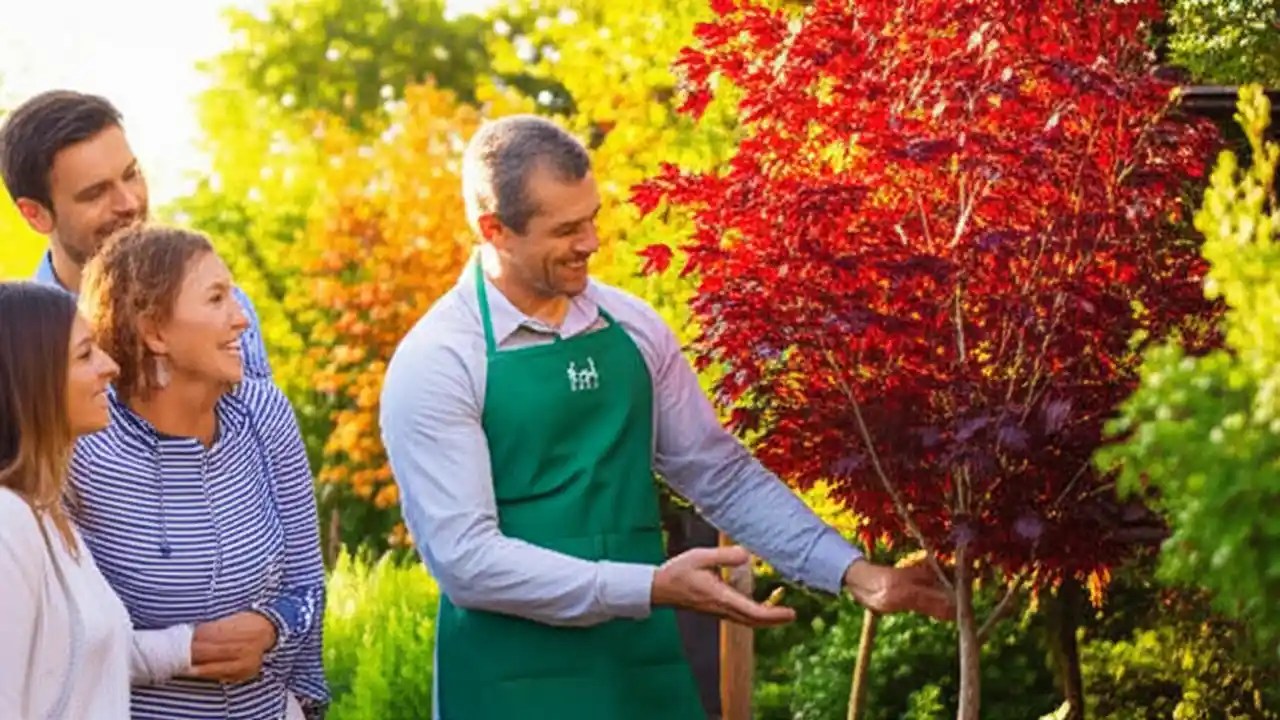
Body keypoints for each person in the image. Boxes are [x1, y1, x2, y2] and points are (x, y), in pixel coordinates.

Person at [379, 115, 954, 719]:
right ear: (494, 230)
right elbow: (467, 562)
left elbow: (718, 473)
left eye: (593, 217)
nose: (592, 243)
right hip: (510, 681)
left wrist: (855, 573)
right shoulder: (439, 361)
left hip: (638, 669)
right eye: (567, 229)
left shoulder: (632, 328)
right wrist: (649, 587)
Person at [68, 224, 329, 719]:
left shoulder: (264, 412)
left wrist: (272, 629)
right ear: (155, 332)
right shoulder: (85, 447)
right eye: (216, 299)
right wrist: (180, 650)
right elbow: (60, 643)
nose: (241, 320)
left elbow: (308, 586)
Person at [0, 281, 194, 718]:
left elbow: (77, 655)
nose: (109, 367)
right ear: (31, 379)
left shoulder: (45, 510)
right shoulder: (6, 524)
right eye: (85, 354)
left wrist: (188, 646)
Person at [0, 89, 273, 380]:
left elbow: (262, 419)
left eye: (131, 175)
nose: (129, 203)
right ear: (35, 214)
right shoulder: (19, 348)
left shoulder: (227, 309)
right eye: (95, 194)